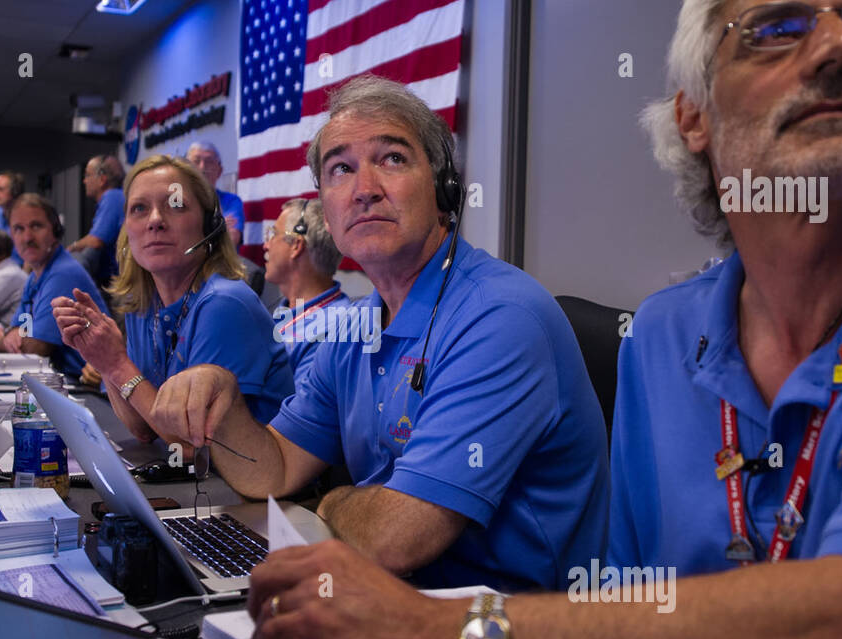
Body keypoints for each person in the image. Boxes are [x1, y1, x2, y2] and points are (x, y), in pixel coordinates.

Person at [238, 0, 842, 639]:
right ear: (693, 117)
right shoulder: (664, 335)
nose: (841, 45)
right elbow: (625, 603)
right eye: (776, 29)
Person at [151, 76, 610, 592]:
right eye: (341, 169)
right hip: (397, 595)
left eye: (392, 159)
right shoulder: (355, 326)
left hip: (515, 631)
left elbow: (399, 537)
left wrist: (333, 501)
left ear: (443, 191)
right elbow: (276, 469)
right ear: (326, 205)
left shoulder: (501, 317)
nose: (364, 189)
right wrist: (225, 402)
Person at [52, 155, 292, 444]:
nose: (155, 220)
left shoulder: (225, 304)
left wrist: (117, 364)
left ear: (209, 226)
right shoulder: (142, 306)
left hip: (248, 485)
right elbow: (142, 427)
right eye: (139, 208)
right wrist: (101, 358)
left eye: (176, 205)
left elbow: (192, 445)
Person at [0, 193, 105, 377]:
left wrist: (1, 341)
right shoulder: (34, 276)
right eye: (19, 229)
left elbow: (36, 347)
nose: (27, 237)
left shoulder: (62, 273)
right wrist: (13, 334)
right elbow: (20, 328)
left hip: (87, 386)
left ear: (55, 230)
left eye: (36, 226)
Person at [263, 198, 348, 389]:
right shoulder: (288, 311)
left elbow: (299, 415)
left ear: (296, 245)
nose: (266, 246)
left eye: (273, 234)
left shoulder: (334, 330)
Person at [67, 155, 126, 283]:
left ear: (102, 179)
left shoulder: (112, 197)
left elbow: (96, 241)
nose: (84, 181)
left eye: (87, 175)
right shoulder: (115, 197)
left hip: (122, 281)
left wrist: (70, 248)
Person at [185, 141, 245, 250]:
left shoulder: (231, 201)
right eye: (196, 161)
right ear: (185, 169)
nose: (202, 167)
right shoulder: (177, 202)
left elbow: (231, 240)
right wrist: (216, 229)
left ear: (219, 170)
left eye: (209, 162)